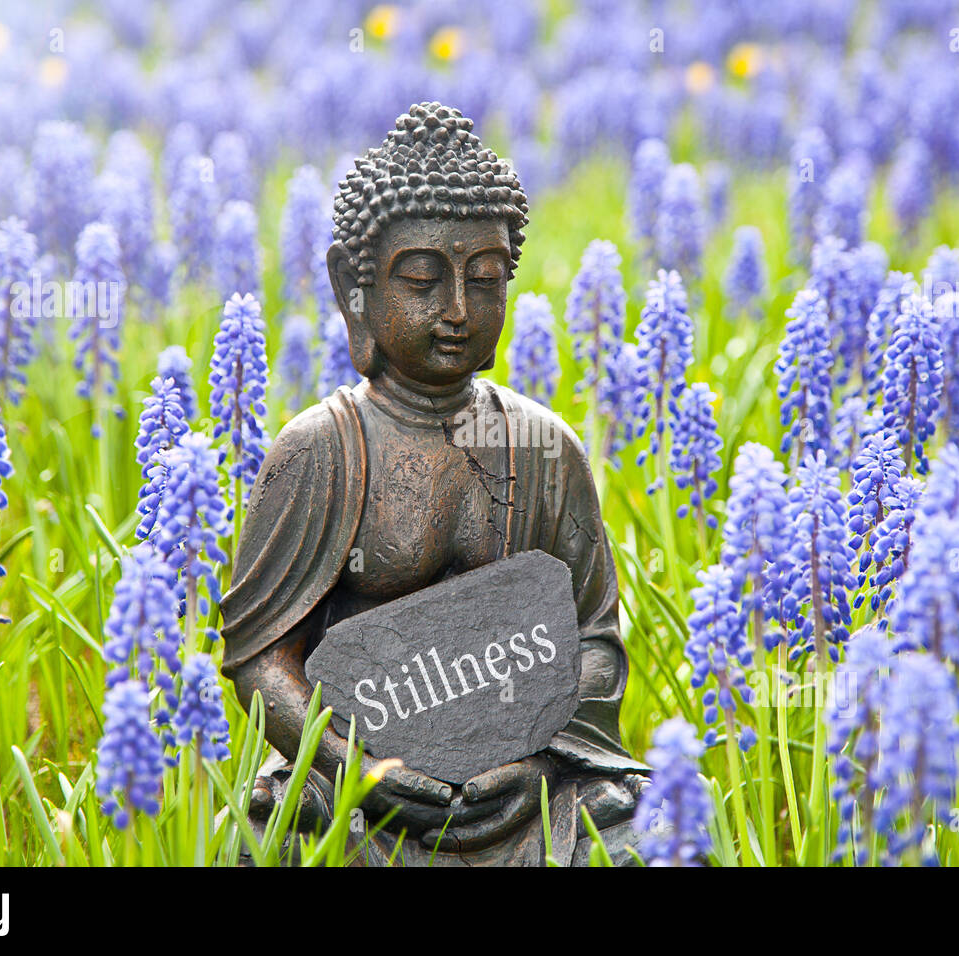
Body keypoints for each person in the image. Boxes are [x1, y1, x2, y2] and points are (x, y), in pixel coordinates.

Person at [220, 103, 647, 866]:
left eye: (484, 281)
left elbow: (596, 645)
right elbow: (258, 660)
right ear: (355, 291)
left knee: (662, 832)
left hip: (521, 786)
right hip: (360, 790)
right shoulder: (320, 451)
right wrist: (359, 771)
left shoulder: (545, 449)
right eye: (421, 279)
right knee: (264, 846)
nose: (455, 311)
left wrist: (538, 757)